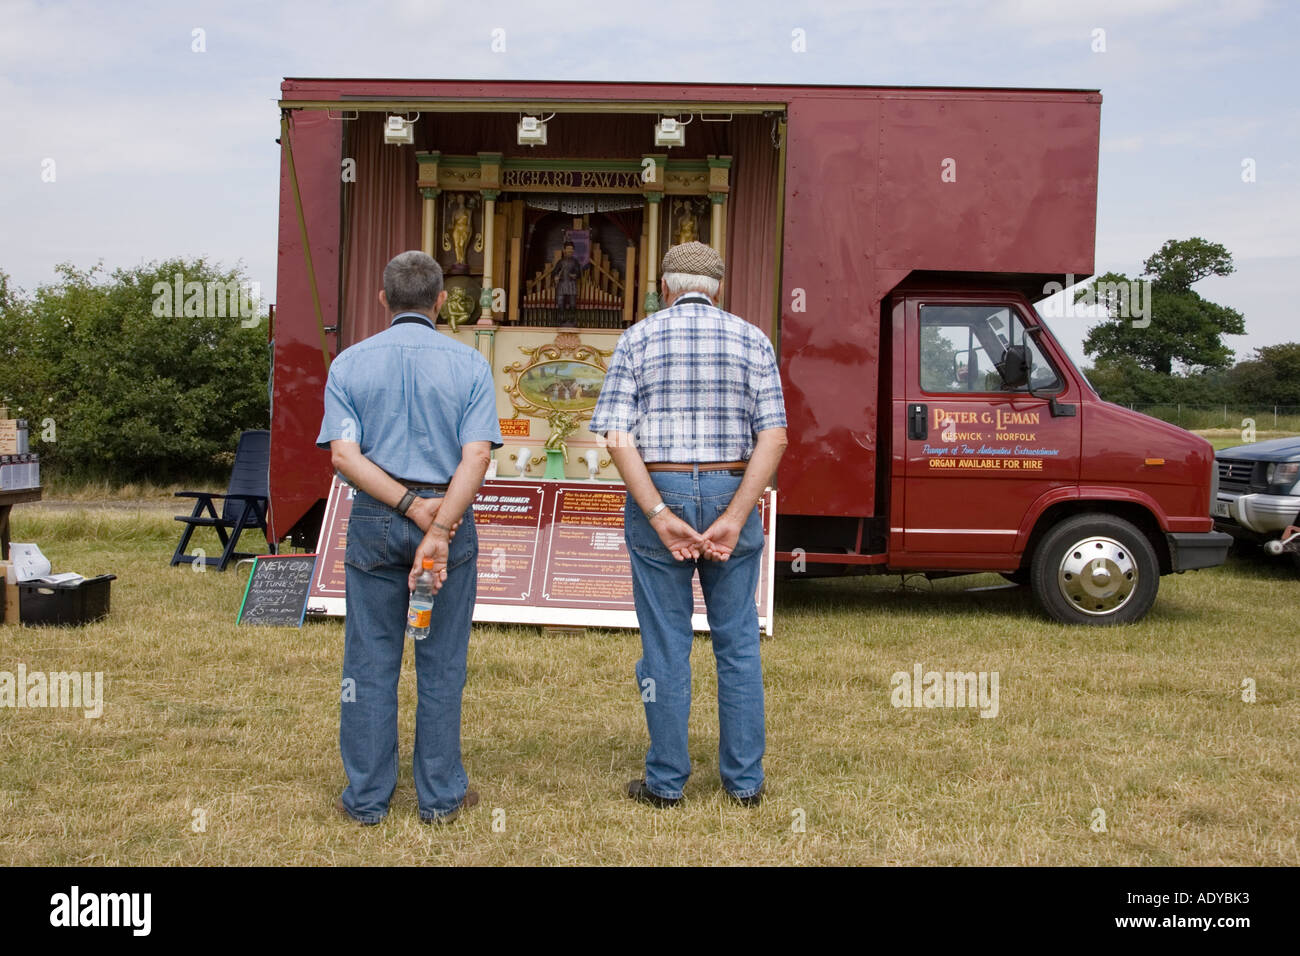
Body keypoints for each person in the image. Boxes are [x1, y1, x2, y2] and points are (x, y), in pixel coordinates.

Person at [590, 240, 788, 808]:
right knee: (738, 643)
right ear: (718, 288)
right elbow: (772, 436)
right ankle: (745, 784)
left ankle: (667, 781)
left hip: (661, 484)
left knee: (665, 645)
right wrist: (734, 515)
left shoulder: (637, 338)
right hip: (733, 485)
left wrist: (657, 512)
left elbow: (616, 436)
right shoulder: (753, 339)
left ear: (664, 288)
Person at [316, 250, 502, 825]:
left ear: (383, 301)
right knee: (441, 660)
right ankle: (440, 796)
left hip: (376, 517)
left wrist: (405, 505)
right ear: (441, 301)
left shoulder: (349, 364)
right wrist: (439, 522)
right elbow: (476, 457)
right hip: (447, 517)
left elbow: (344, 457)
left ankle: (367, 799)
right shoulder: (469, 365)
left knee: (369, 661)